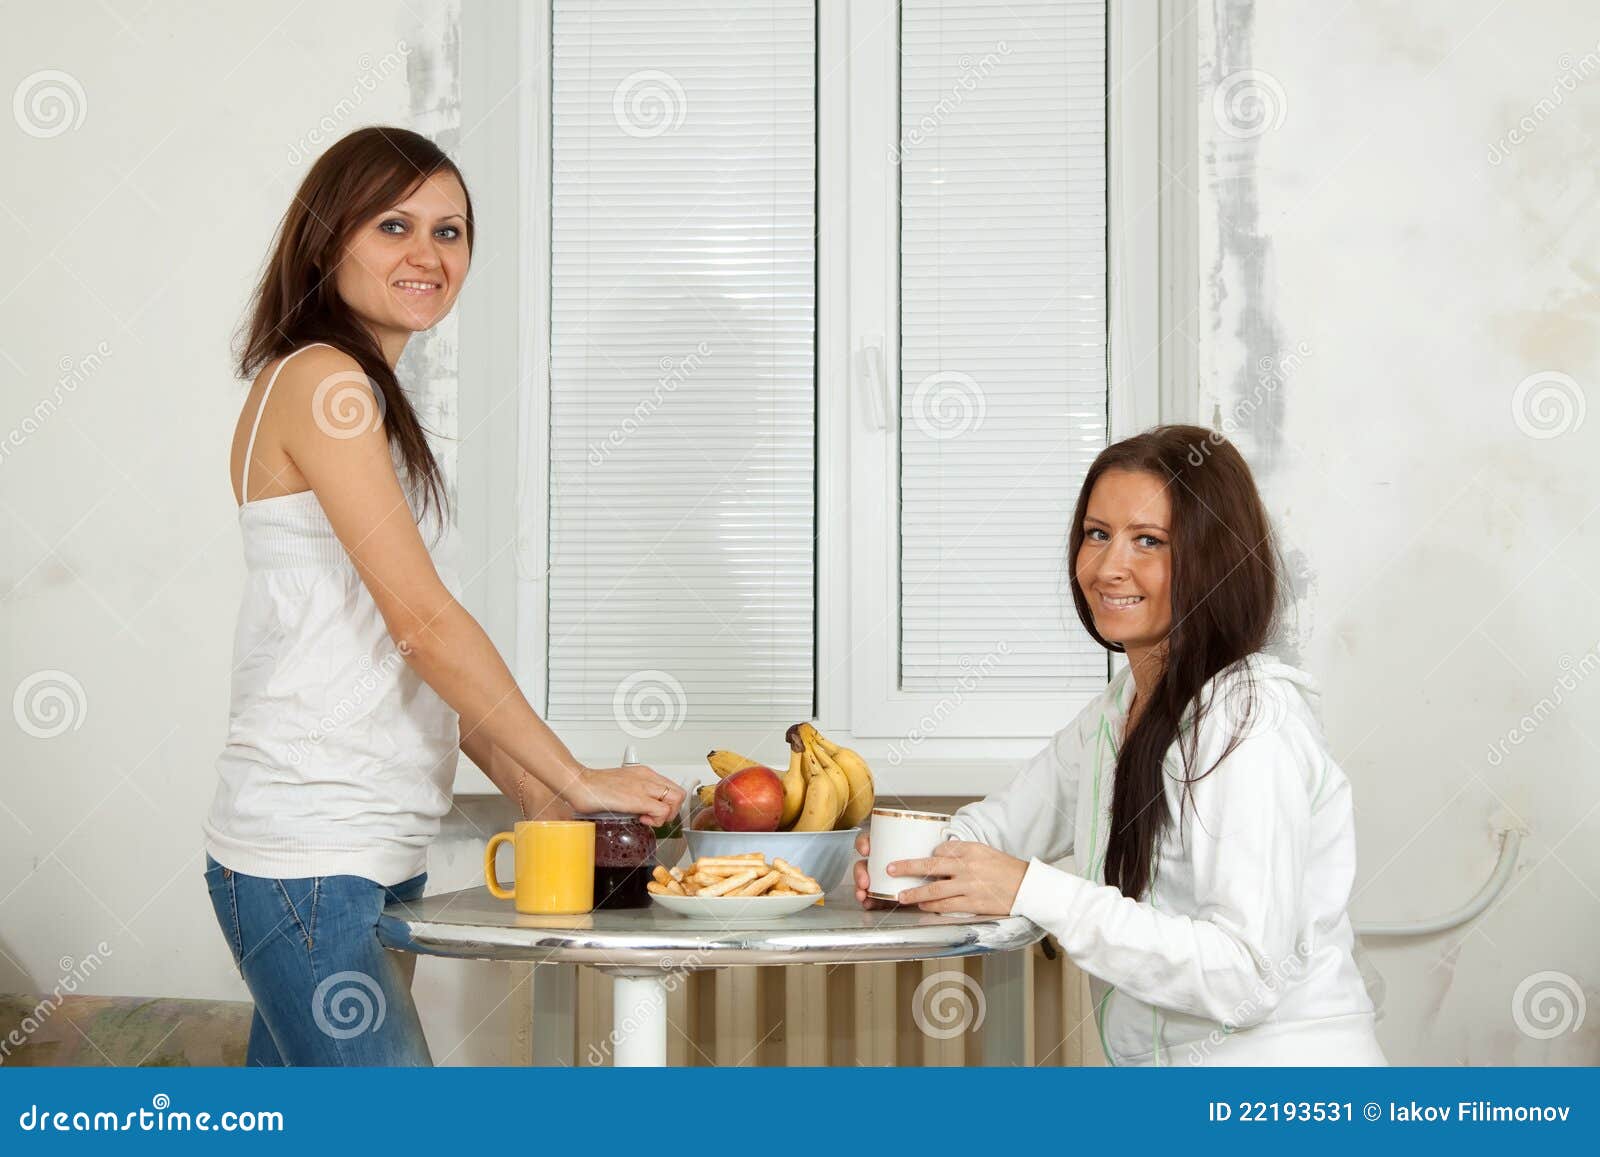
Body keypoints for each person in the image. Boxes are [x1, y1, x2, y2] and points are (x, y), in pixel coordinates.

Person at [202, 126, 685, 1066]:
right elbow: (425, 627)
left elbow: (400, 649)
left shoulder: (368, 397)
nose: (428, 253)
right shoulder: (323, 380)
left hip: (366, 849)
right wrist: (578, 777)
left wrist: (536, 791)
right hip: (308, 853)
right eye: (393, 225)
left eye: (451, 230)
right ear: (324, 238)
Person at [853, 426, 1385, 1066]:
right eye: (1097, 534)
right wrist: (912, 865)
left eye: (1149, 542)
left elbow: (1246, 977)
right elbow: (998, 831)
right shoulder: (1117, 710)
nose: (1108, 567)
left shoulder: (1247, 719)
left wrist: (1034, 890)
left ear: (1216, 558)